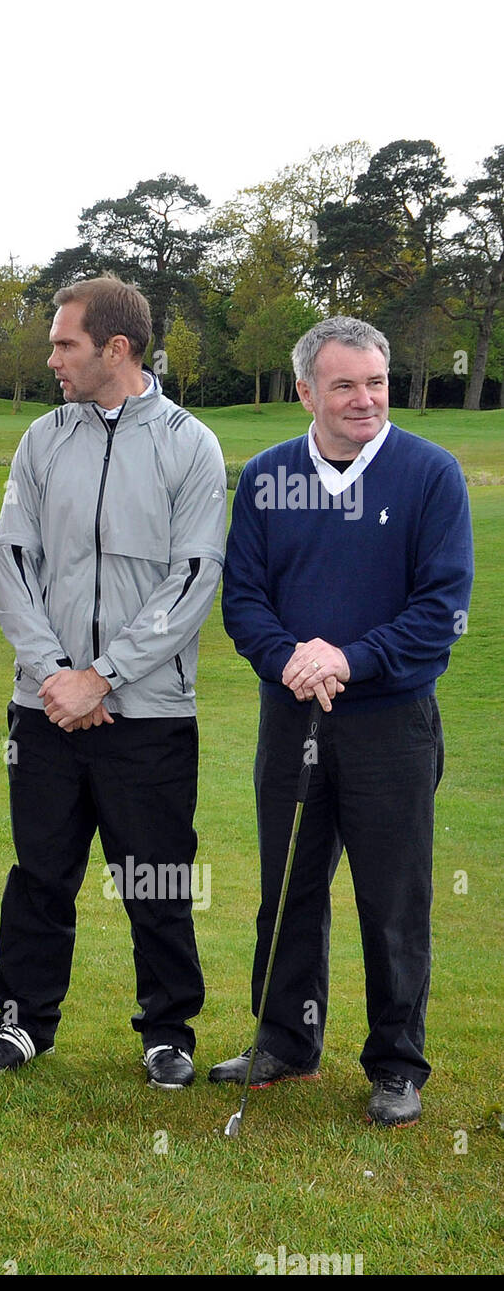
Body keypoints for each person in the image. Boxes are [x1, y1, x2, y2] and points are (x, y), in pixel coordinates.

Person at [210, 316, 473, 1127]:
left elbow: (440, 609)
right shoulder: (264, 477)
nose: (364, 400)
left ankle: (396, 1065)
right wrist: (290, 657)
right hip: (290, 716)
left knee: (393, 900)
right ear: (305, 393)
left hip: (389, 723)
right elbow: (242, 598)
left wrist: (347, 659)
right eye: (344, 385)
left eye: (376, 382)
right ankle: (285, 1040)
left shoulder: (429, 474)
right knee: (288, 889)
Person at [0, 275, 227, 1088]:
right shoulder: (42, 439)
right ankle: (23, 1023)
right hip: (43, 707)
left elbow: (192, 581)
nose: (51, 357)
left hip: (147, 712)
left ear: (114, 350)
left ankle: (167, 1032)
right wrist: (56, 677)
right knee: (40, 872)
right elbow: (12, 560)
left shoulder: (189, 443)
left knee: (154, 877)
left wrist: (103, 678)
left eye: (64, 344)